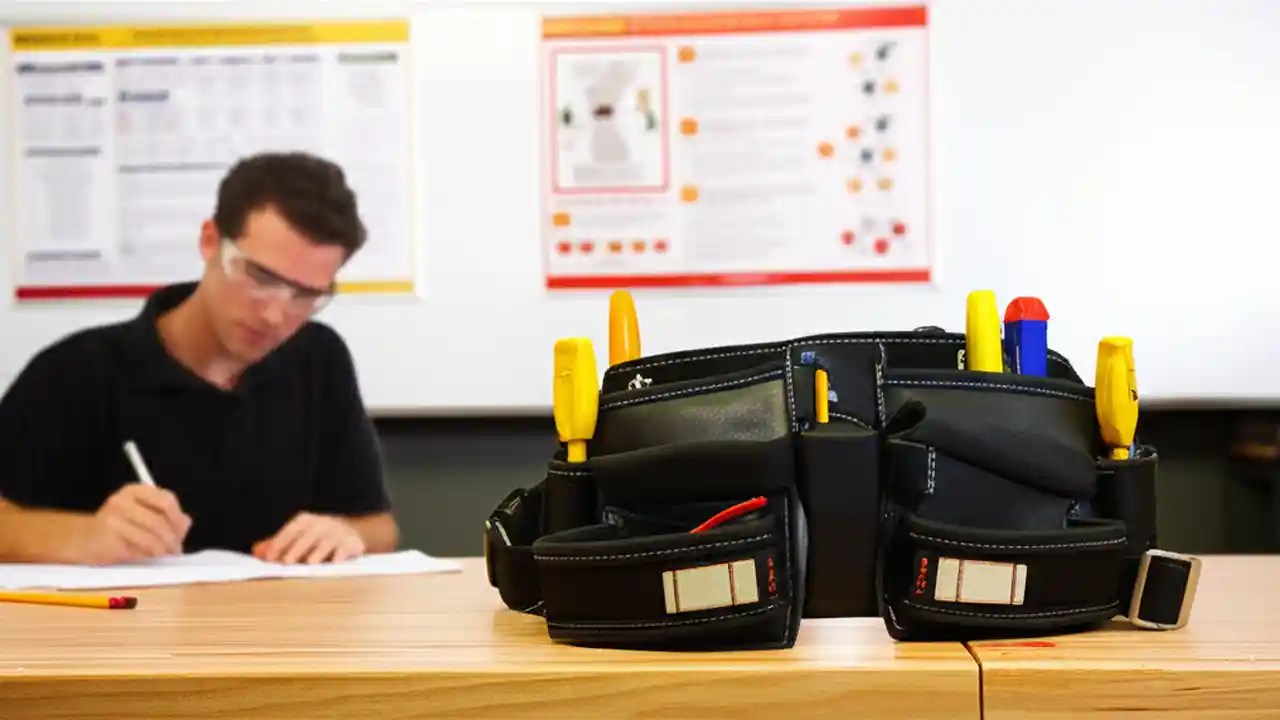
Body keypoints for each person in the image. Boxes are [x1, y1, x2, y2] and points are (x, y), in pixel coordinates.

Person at [0, 152, 398, 565]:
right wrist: (84, 535)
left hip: (277, 606)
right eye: (260, 277)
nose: (276, 315)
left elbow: (378, 526)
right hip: (124, 609)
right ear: (210, 241)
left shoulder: (319, 359)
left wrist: (347, 533)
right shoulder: (77, 372)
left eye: (307, 295)